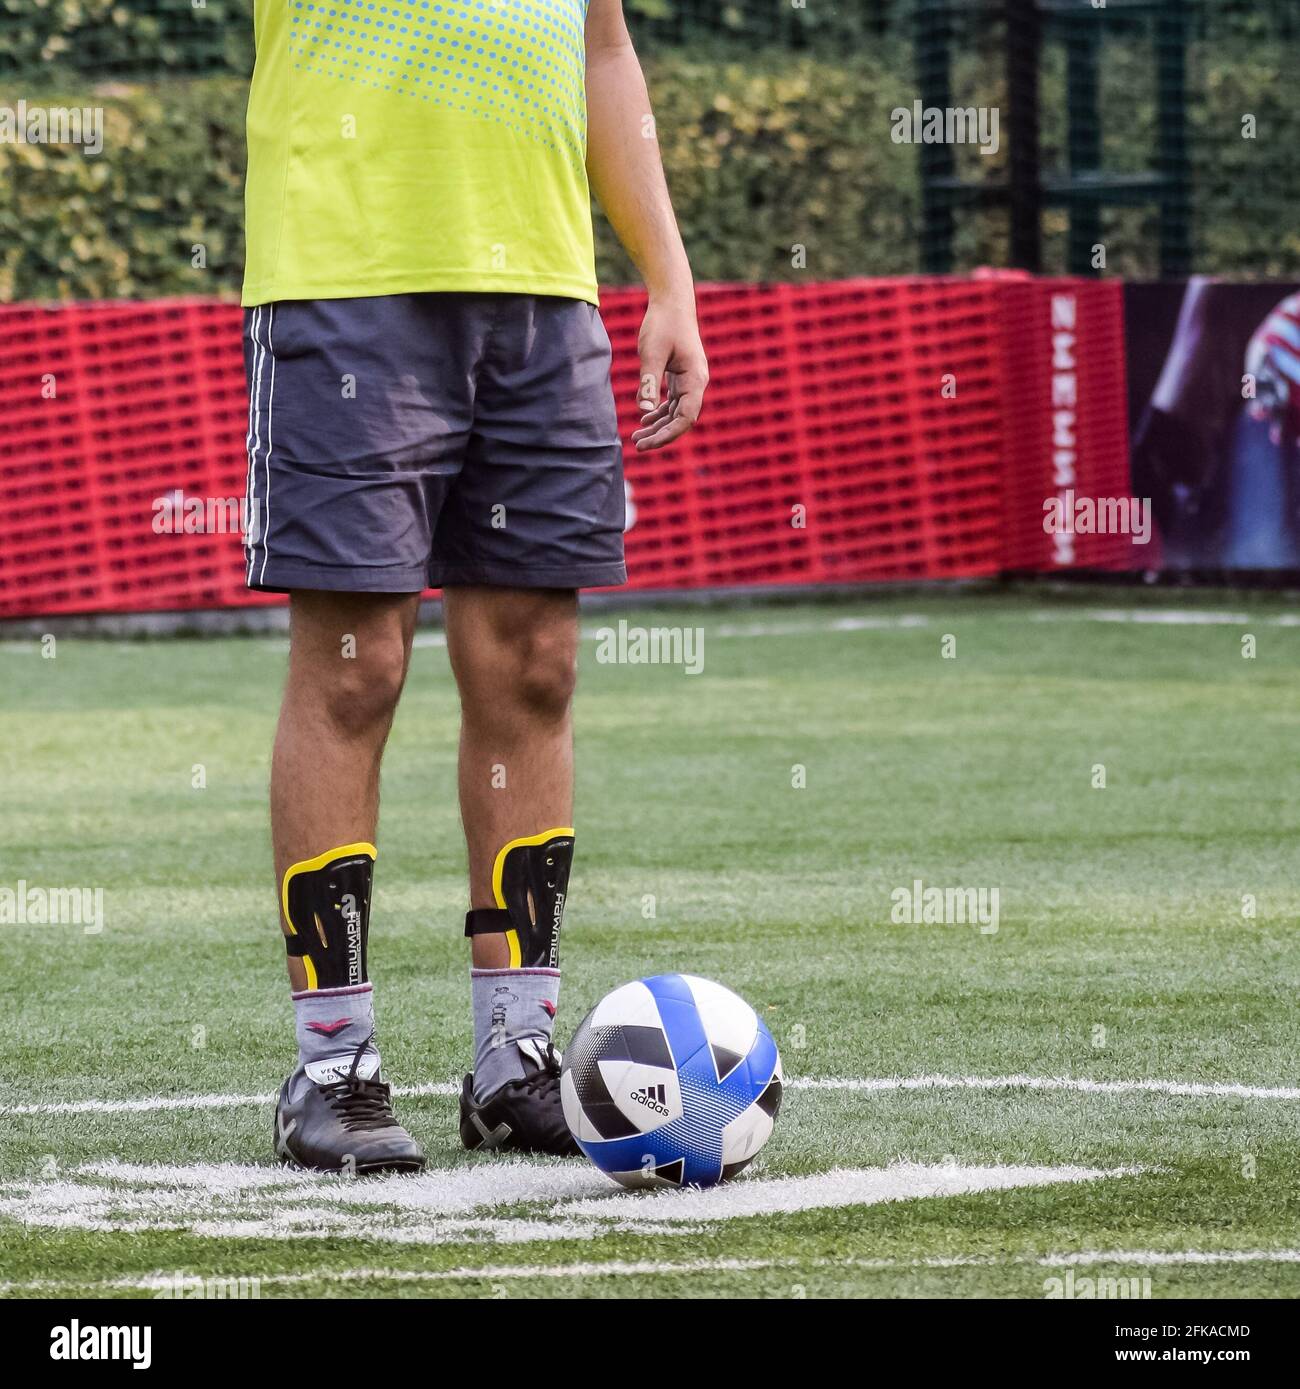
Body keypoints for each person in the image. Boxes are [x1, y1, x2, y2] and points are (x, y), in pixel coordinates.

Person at [241, 0, 708, 1171]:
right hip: (347, 279)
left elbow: (602, 48)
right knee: (358, 670)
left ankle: (513, 1060)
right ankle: (332, 1064)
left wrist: (669, 278)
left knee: (534, 667)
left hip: (544, 296)